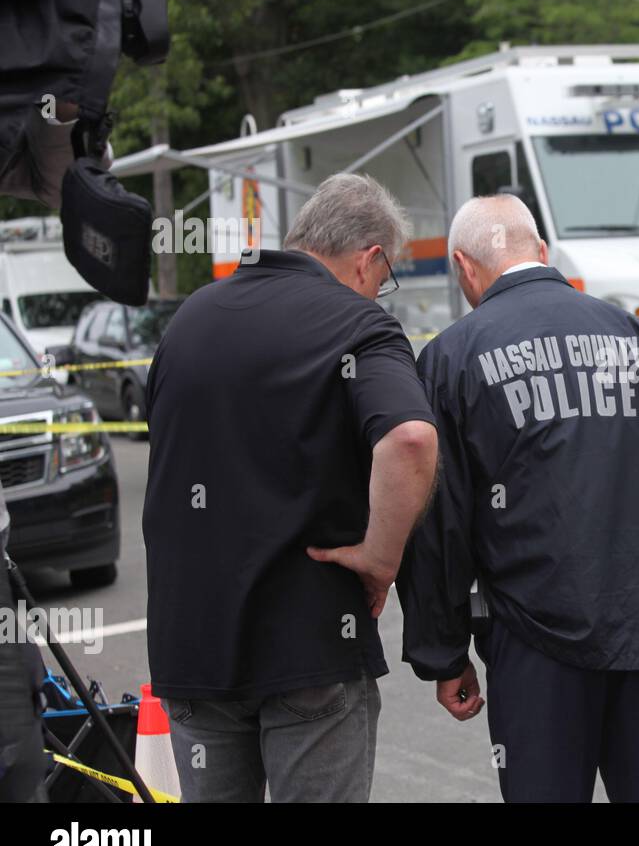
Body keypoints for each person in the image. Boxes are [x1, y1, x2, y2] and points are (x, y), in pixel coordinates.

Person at [397, 194, 639, 803]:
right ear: (542, 251)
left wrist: (443, 652)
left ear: (464, 266)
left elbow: (438, 523)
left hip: (534, 639)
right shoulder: (638, 337)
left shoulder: (451, 359)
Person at [143, 173, 438, 802]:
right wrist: (379, 561)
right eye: (383, 279)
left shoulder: (190, 319)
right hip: (309, 641)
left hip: (191, 645)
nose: (378, 292)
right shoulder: (359, 324)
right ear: (370, 259)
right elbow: (411, 439)